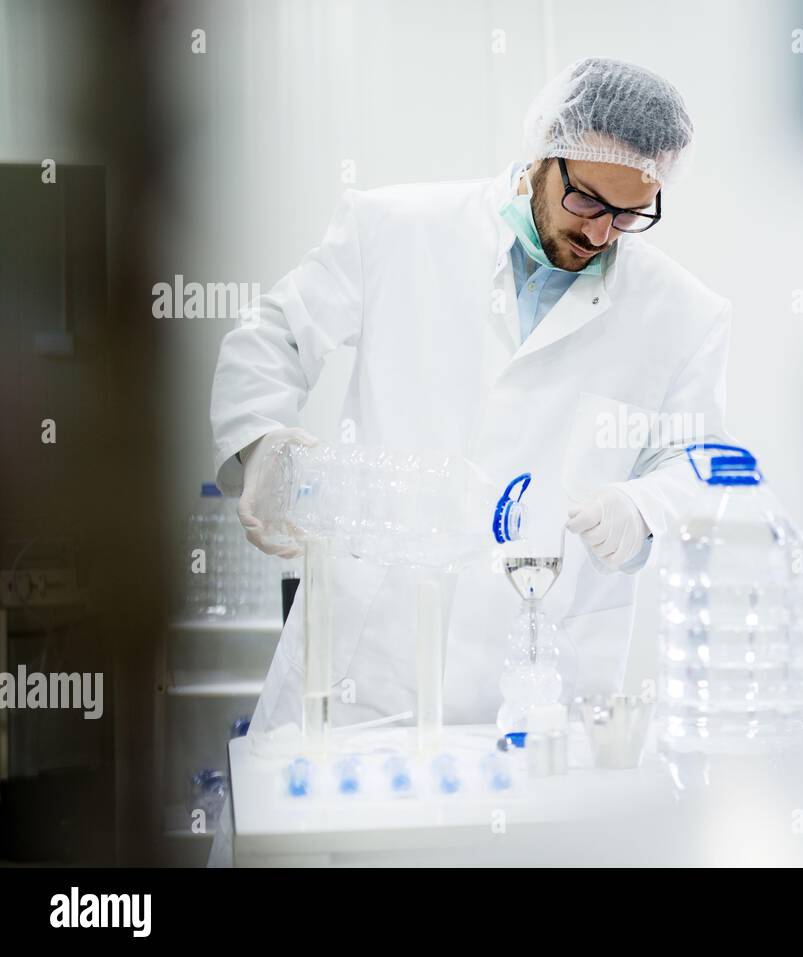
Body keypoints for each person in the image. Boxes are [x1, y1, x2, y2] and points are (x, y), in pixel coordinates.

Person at [205, 57, 731, 864]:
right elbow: (269, 338)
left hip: (538, 704)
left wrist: (645, 508)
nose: (599, 233)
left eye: (630, 216)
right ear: (539, 154)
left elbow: (704, 462)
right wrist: (262, 443)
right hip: (360, 679)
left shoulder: (683, 314)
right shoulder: (395, 229)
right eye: (585, 198)